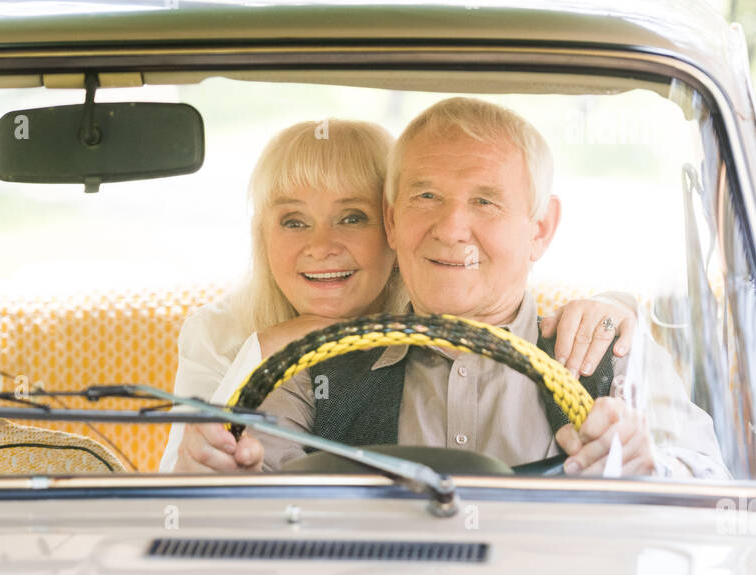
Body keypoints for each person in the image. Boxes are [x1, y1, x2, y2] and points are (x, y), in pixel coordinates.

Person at [199, 98, 724, 480]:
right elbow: (228, 507)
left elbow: (716, 491)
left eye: (485, 202)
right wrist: (215, 469)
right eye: (426, 195)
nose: (451, 229)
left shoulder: (608, 353)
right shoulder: (311, 368)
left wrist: (649, 465)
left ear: (539, 229)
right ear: (391, 219)